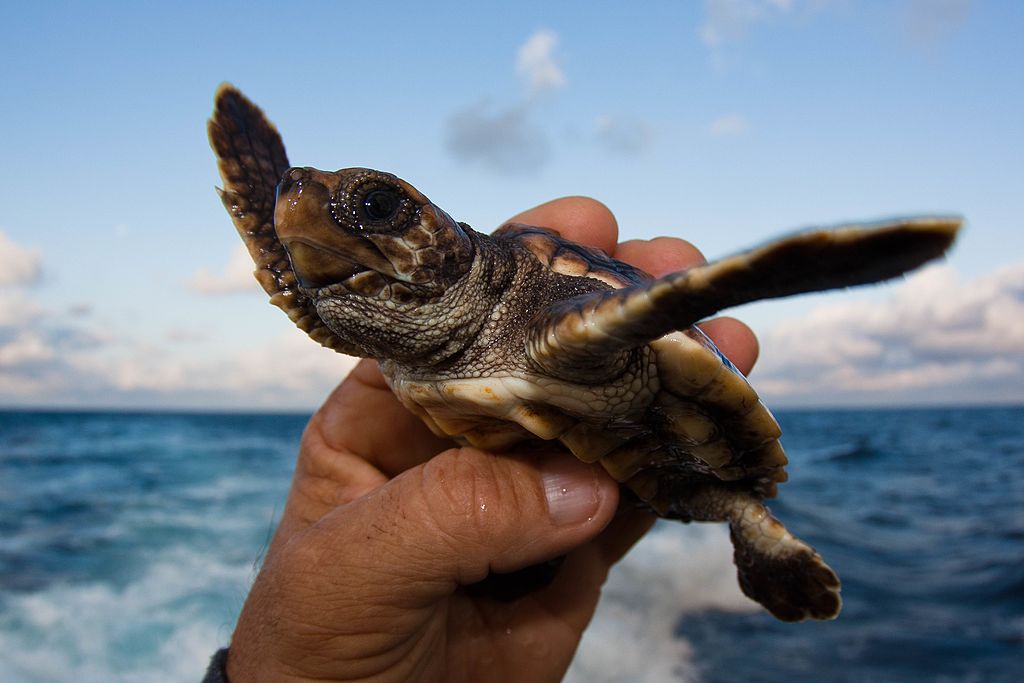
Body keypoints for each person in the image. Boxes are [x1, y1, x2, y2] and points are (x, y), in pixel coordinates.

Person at [205, 197, 759, 683]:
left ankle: (755, 523)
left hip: (660, 431)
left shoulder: (538, 310)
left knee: (721, 486)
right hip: (569, 504)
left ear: (448, 243)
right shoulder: (379, 329)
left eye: (376, 209)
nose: (306, 213)